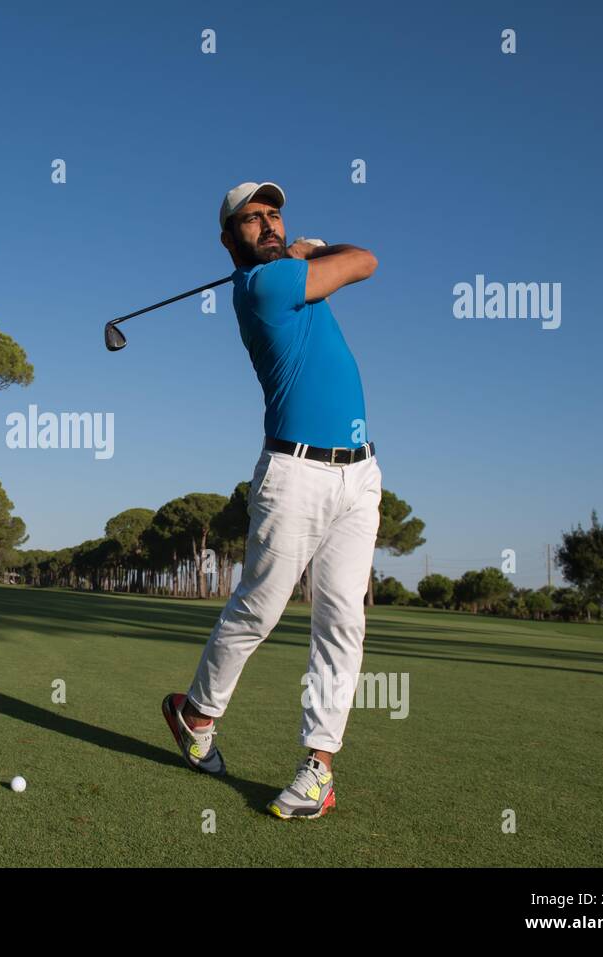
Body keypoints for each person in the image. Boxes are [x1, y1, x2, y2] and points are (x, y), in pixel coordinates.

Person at [162, 181, 381, 819]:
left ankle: (319, 769)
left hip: (361, 474)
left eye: (275, 214)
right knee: (259, 610)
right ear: (230, 240)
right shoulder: (264, 286)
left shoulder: (292, 270)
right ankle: (196, 715)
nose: (268, 224)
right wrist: (310, 252)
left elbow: (352, 259)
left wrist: (305, 250)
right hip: (295, 473)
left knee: (343, 620)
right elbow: (365, 260)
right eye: (251, 220)